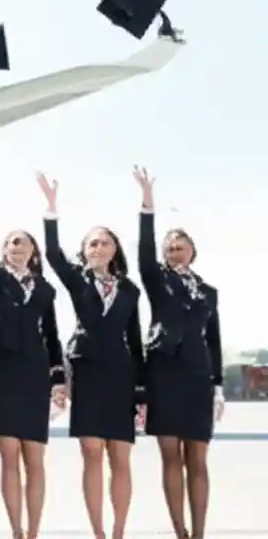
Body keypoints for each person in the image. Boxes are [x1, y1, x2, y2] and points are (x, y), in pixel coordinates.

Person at [38, 172, 146, 539]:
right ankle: (98, 533)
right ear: (84, 250)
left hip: (120, 373)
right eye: (91, 244)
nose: (97, 248)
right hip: (85, 371)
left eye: (103, 243)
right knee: (92, 453)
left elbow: (135, 339)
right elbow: (51, 254)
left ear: (114, 249)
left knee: (120, 455)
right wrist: (51, 209)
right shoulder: (77, 280)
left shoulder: (131, 290)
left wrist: (142, 390)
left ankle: (118, 531)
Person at [0, 176, 66, 539]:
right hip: (2, 371)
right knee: (8, 454)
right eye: (8, 243)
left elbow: (52, 337)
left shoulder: (46, 289)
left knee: (34, 457)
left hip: (34, 373)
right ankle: (16, 531)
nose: (14, 246)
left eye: (20, 242)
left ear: (32, 250)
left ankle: (34, 531)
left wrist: (58, 381)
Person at [133, 166, 224, 539]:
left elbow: (215, 340)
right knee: (170, 456)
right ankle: (180, 532)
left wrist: (217, 385)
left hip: (197, 377)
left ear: (192, 250)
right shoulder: (157, 279)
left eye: (180, 244)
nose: (174, 248)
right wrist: (147, 205)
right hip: (164, 374)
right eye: (169, 245)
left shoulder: (209, 292)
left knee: (198, 461)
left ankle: (199, 533)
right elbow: (142, 248)